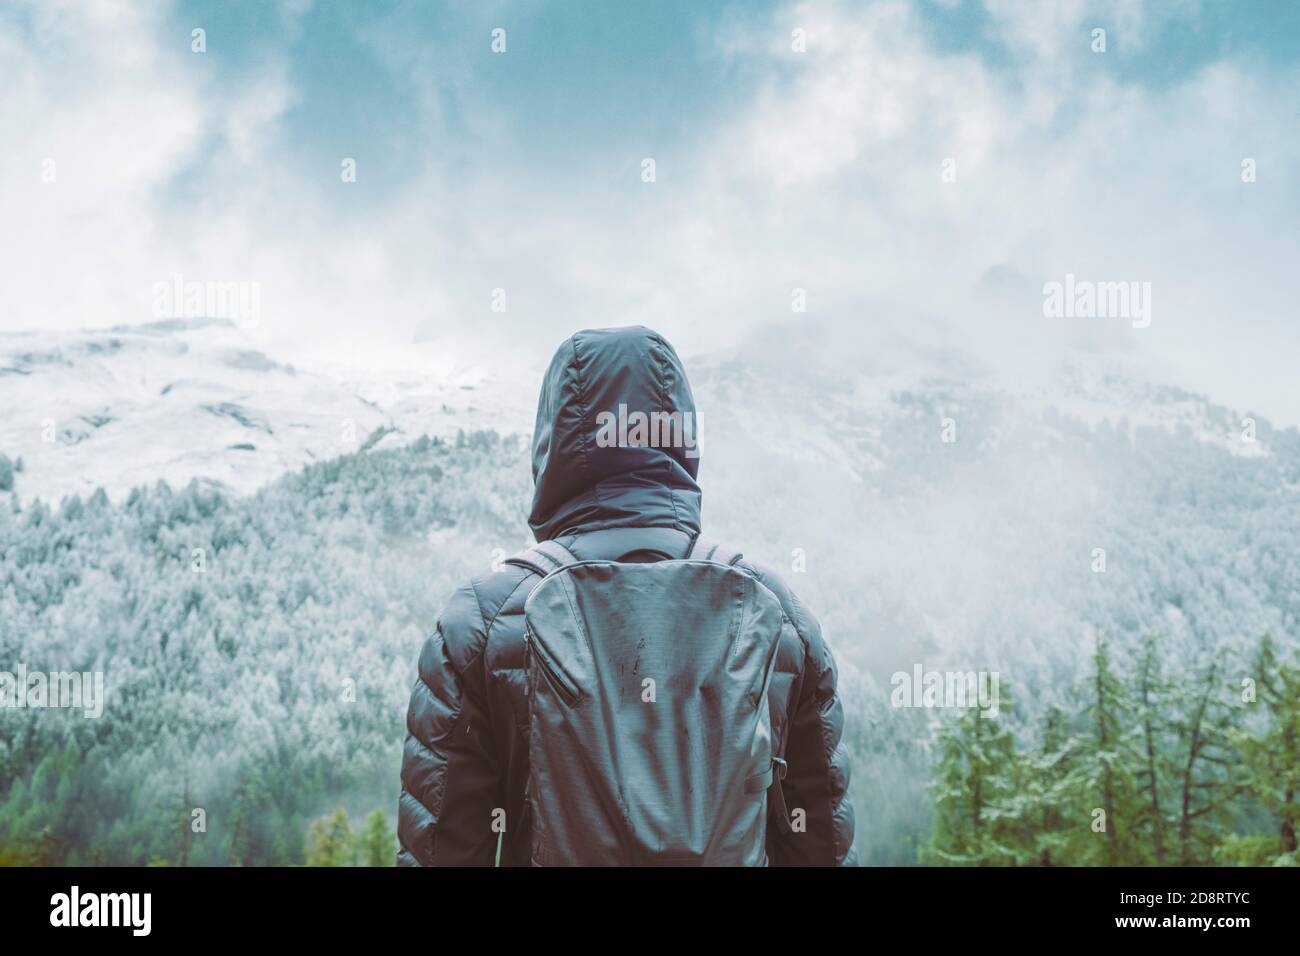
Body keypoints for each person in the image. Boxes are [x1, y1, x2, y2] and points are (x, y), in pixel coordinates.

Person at [397, 326, 855, 866]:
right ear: (682, 435)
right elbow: (818, 847)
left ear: (553, 442)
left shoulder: (482, 620)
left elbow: (443, 849)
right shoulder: (779, 614)